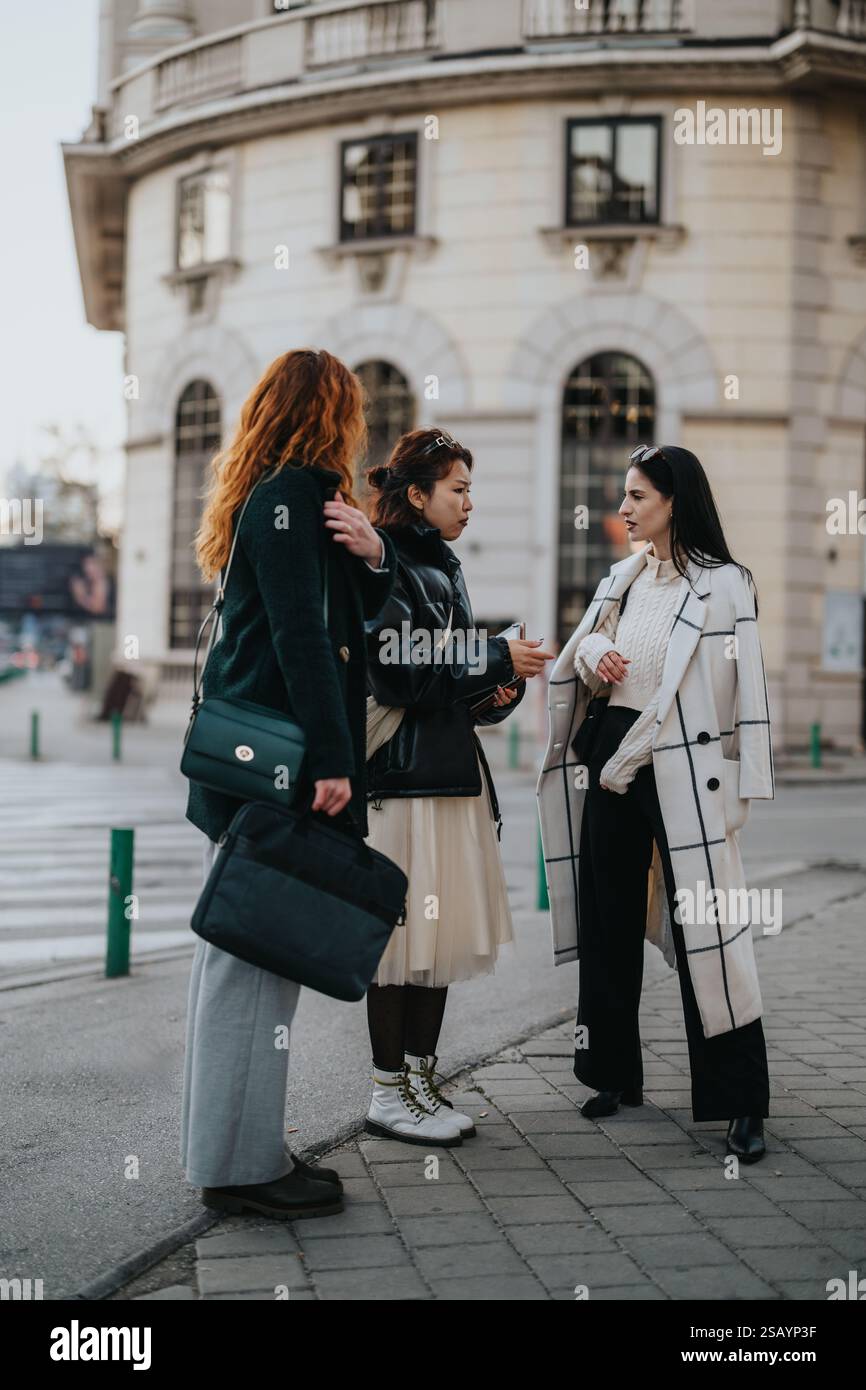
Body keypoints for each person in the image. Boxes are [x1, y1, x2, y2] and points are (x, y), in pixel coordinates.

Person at [180, 348, 396, 1218]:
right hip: (277, 767)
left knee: (242, 957)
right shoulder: (289, 498)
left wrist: (375, 555)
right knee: (253, 966)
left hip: (257, 764)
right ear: (332, 413)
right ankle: (240, 1169)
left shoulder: (286, 498)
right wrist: (336, 760)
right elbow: (308, 640)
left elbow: (345, 622)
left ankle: (236, 1149)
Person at [537, 444, 775, 1165]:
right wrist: (591, 658)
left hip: (684, 768)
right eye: (623, 496)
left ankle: (742, 1103)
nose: (624, 509)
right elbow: (576, 656)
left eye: (637, 496)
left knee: (711, 931)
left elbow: (749, 696)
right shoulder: (622, 577)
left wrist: (741, 786)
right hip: (609, 756)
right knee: (607, 920)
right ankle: (610, 1074)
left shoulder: (728, 585)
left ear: (675, 499)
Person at [363, 428, 555, 1144]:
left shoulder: (441, 562)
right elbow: (399, 673)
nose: (470, 502)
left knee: (435, 941)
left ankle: (420, 1082)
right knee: (399, 944)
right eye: (458, 489)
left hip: (444, 777)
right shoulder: (387, 563)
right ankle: (387, 1092)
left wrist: (497, 685)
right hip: (404, 785)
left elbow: (444, 683)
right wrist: (494, 654)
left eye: (470, 488)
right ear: (418, 495)